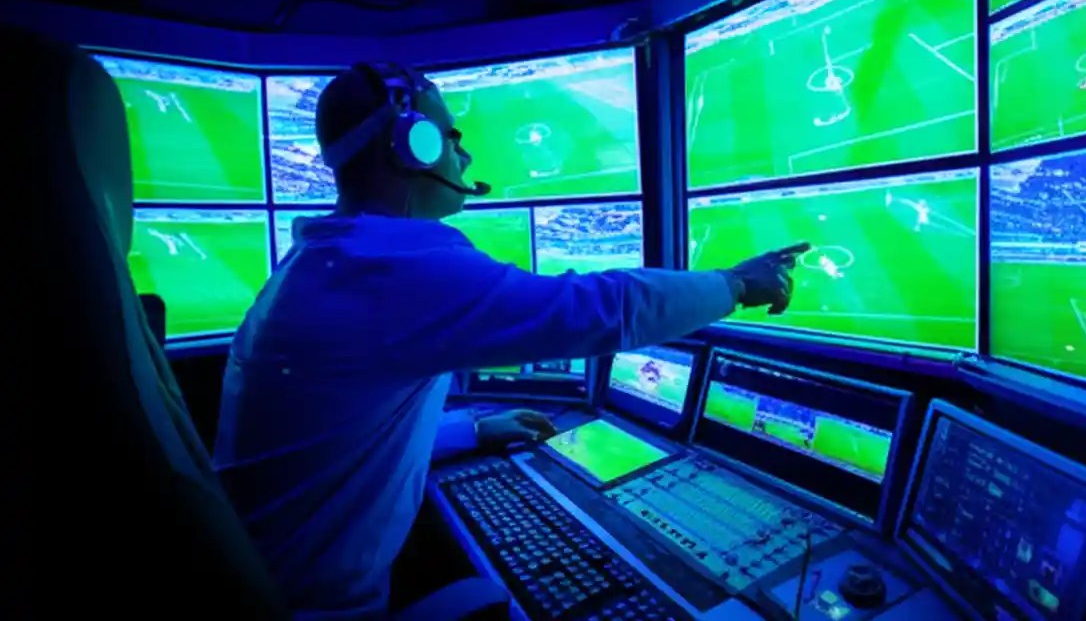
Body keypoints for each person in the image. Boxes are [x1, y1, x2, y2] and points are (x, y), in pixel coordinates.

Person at [212, 61, 809, 619]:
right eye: (450, 137)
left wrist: (472, 431)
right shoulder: (394, 266)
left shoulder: (323, 260)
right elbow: (596, 308)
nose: (463, 154)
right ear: (413, 145)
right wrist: (735, 285)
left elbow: (347, 438)